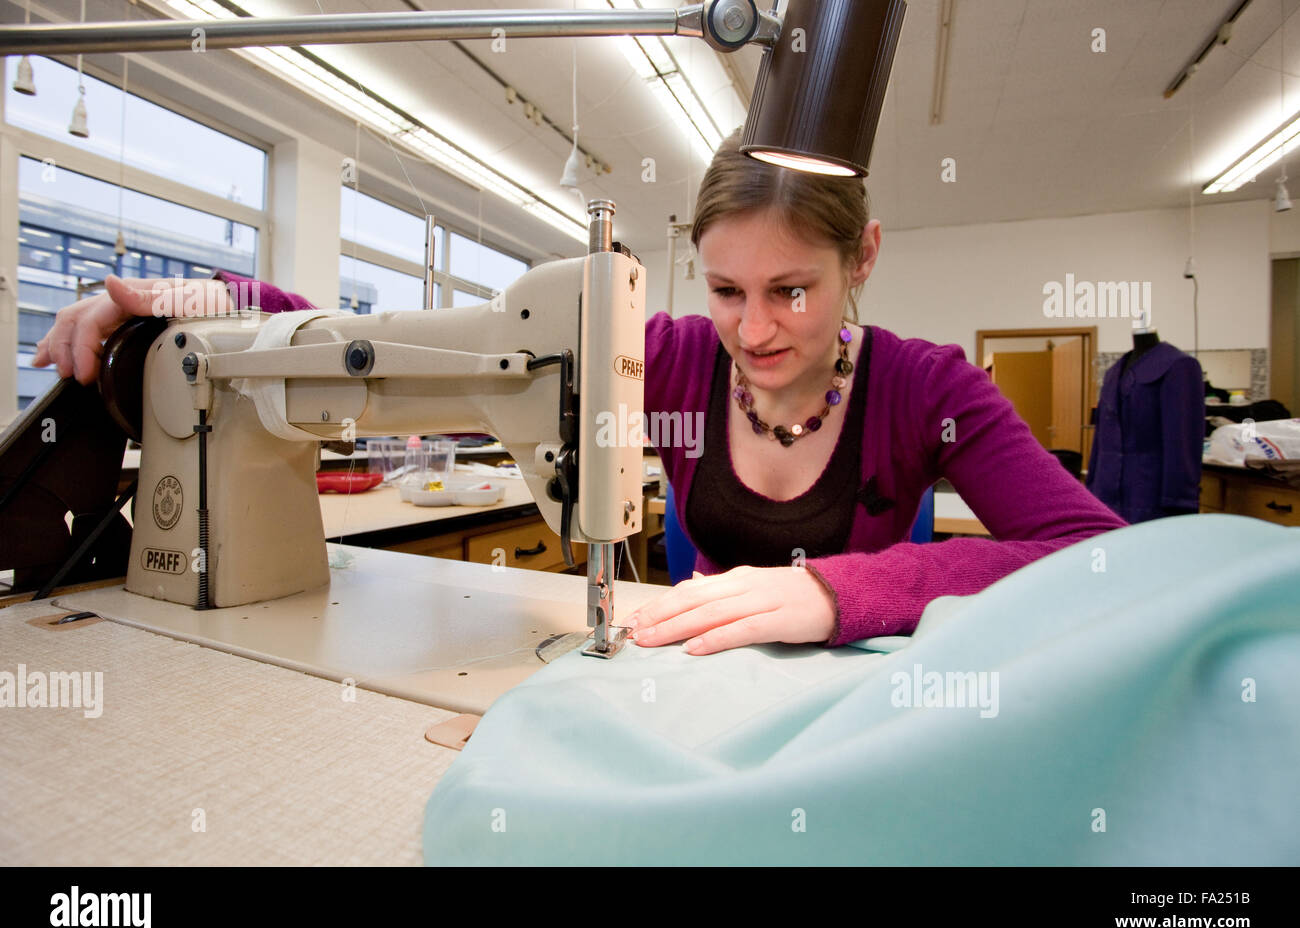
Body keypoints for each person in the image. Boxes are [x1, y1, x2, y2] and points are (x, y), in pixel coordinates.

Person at [33, 128, 1127, 657]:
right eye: (727, 287)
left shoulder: (926, 387)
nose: (753, 332)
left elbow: (1102, 556)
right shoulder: (661, 357)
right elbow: (377, 347)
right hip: (689, 689)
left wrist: (850, 590)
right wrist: (197, 306)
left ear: (864, 256)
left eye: (792, 290)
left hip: (848, 707)